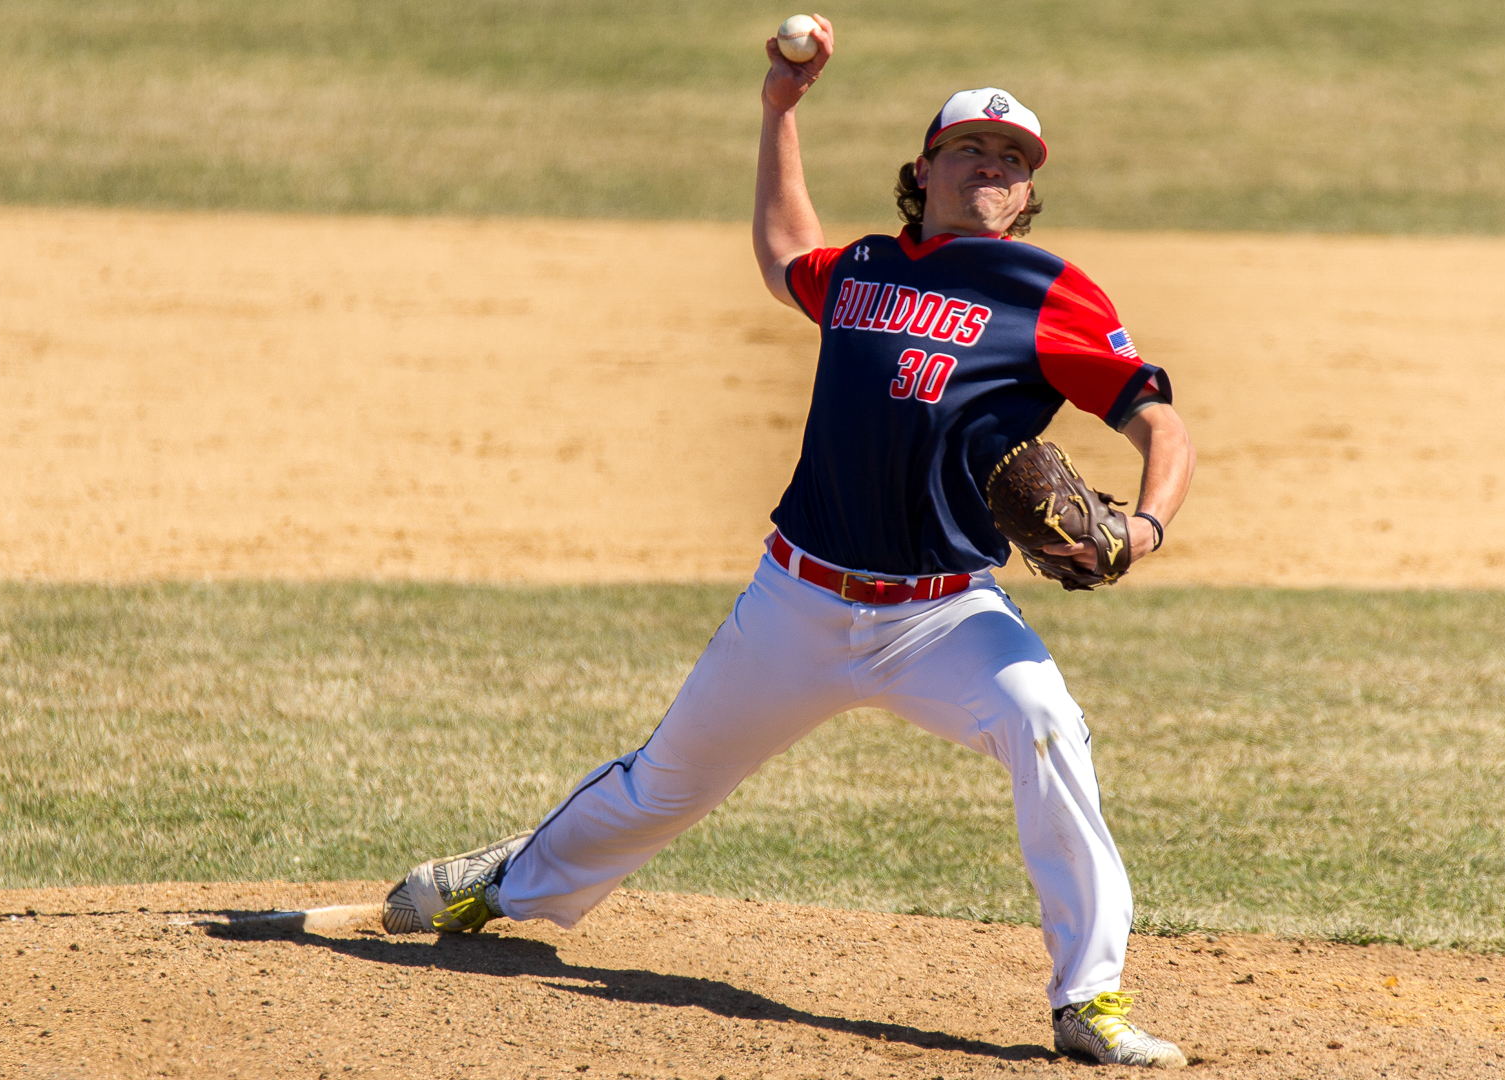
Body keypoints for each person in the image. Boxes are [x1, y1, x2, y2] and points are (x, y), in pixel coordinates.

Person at [380, 15, 1196, 1070]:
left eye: (1013, 158)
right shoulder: (861, 270)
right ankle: (502, 885)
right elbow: (781, 254)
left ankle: (1091, 998)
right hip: (796, 602)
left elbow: (1158, 424)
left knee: (1047, 726)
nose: (991, 166)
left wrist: (1143, 525)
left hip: (943, 615)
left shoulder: (1054, 295)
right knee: (661, 787)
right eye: (969, 149)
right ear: (925, 171)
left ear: (1029, 192)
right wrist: (779, 111)